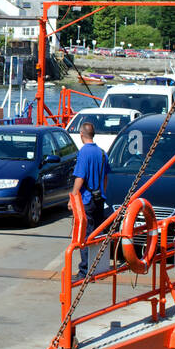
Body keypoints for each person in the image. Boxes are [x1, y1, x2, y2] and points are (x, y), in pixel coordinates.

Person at [70, 120, 110, 280]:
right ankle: (97, 267)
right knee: (98, 234)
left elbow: (80, 176)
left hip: (86, 200)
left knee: (84, 235)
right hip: (99, 198)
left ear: (81, 135)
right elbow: (106, 177)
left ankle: (84, 271)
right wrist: (102, 192)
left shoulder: (83, 152)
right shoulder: (101, 152)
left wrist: (73, 196)